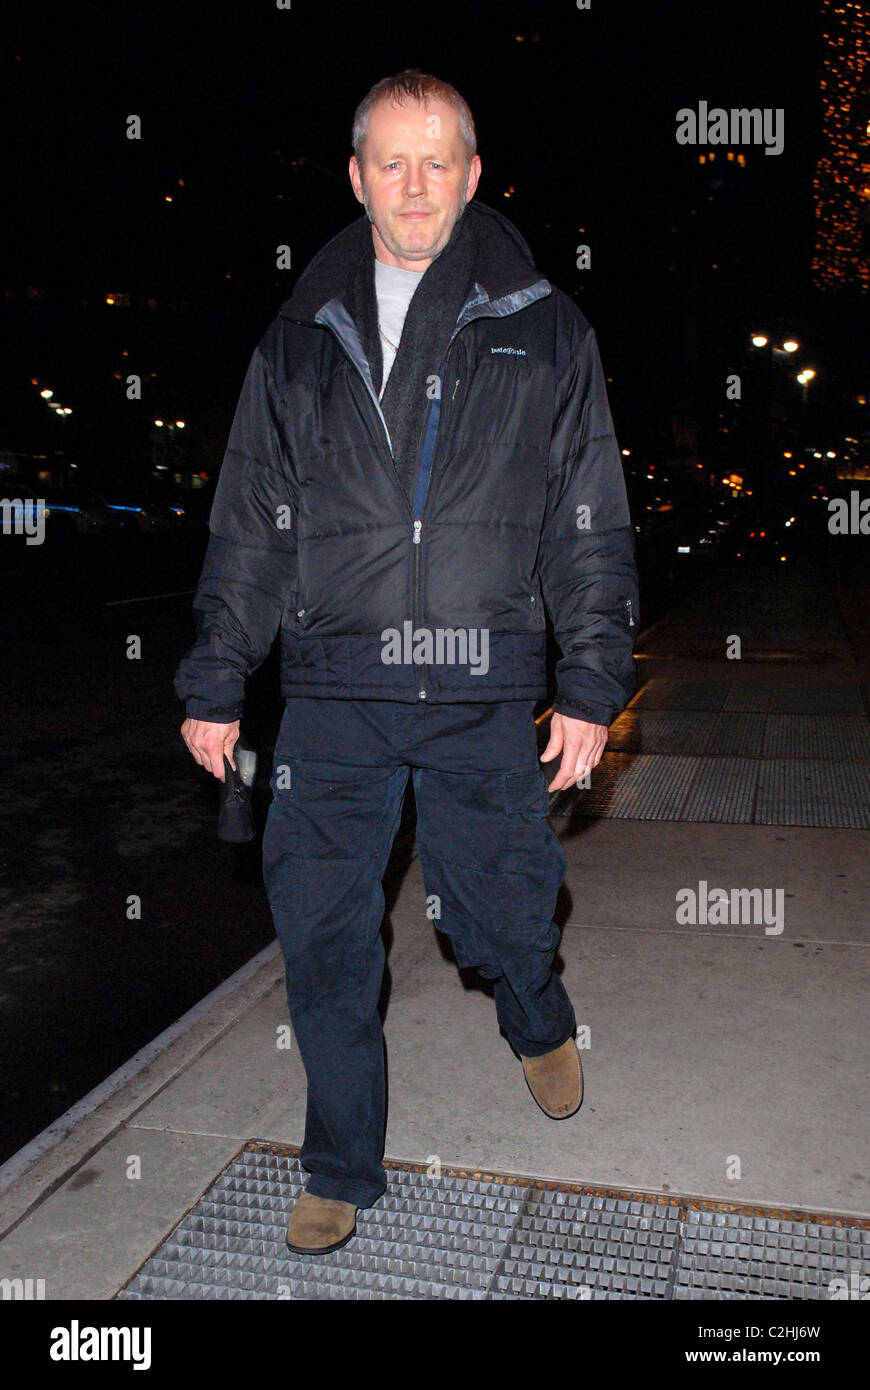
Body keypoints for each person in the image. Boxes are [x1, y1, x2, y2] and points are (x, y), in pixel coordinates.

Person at [175, 68, 638, 1256]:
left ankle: (535, 1011)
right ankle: (340, 1163)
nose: (416, 184)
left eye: (439, 160)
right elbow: (250, 517)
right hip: (334, 693)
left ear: (475, 174)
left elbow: (587, 515)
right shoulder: (300, 334)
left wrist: (590, 685)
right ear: (356, 175)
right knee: (324, 935)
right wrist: (218, 675)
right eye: (392, 160)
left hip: (484, 689)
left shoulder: (544, 323)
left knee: (502, 918)